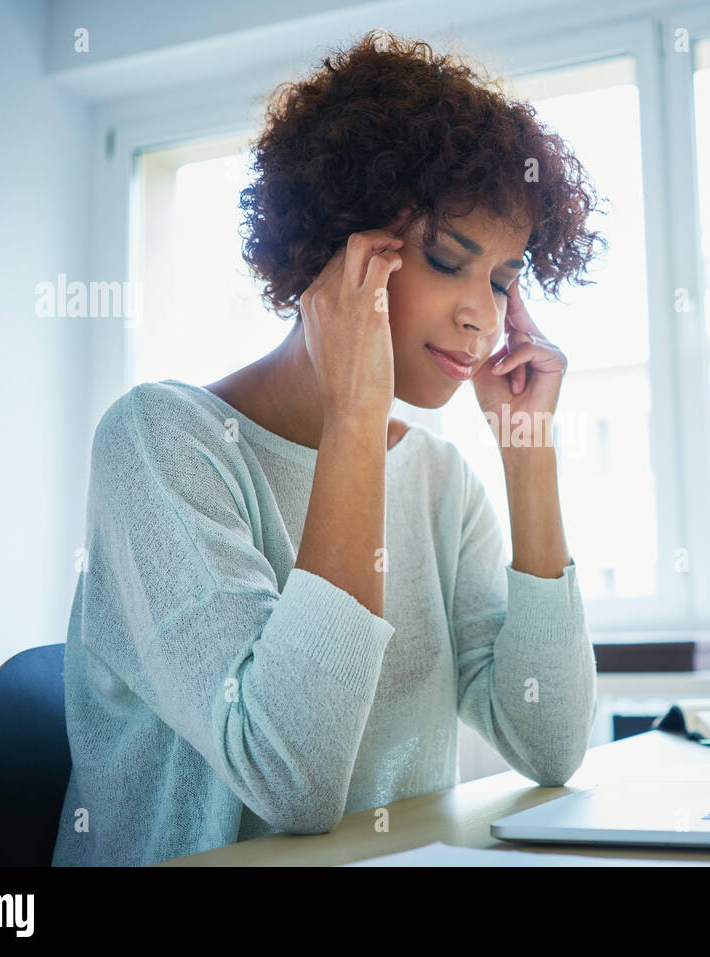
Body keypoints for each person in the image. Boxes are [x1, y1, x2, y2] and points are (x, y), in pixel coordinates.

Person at [51, 28, 605, 866]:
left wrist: (527, 451)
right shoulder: (159, 445)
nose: (483, 318)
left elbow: (550, 739)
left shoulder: (441, 480)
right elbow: (289, 775)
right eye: (450, 261)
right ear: (337, 247)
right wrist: (356, 416)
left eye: (501, 279)